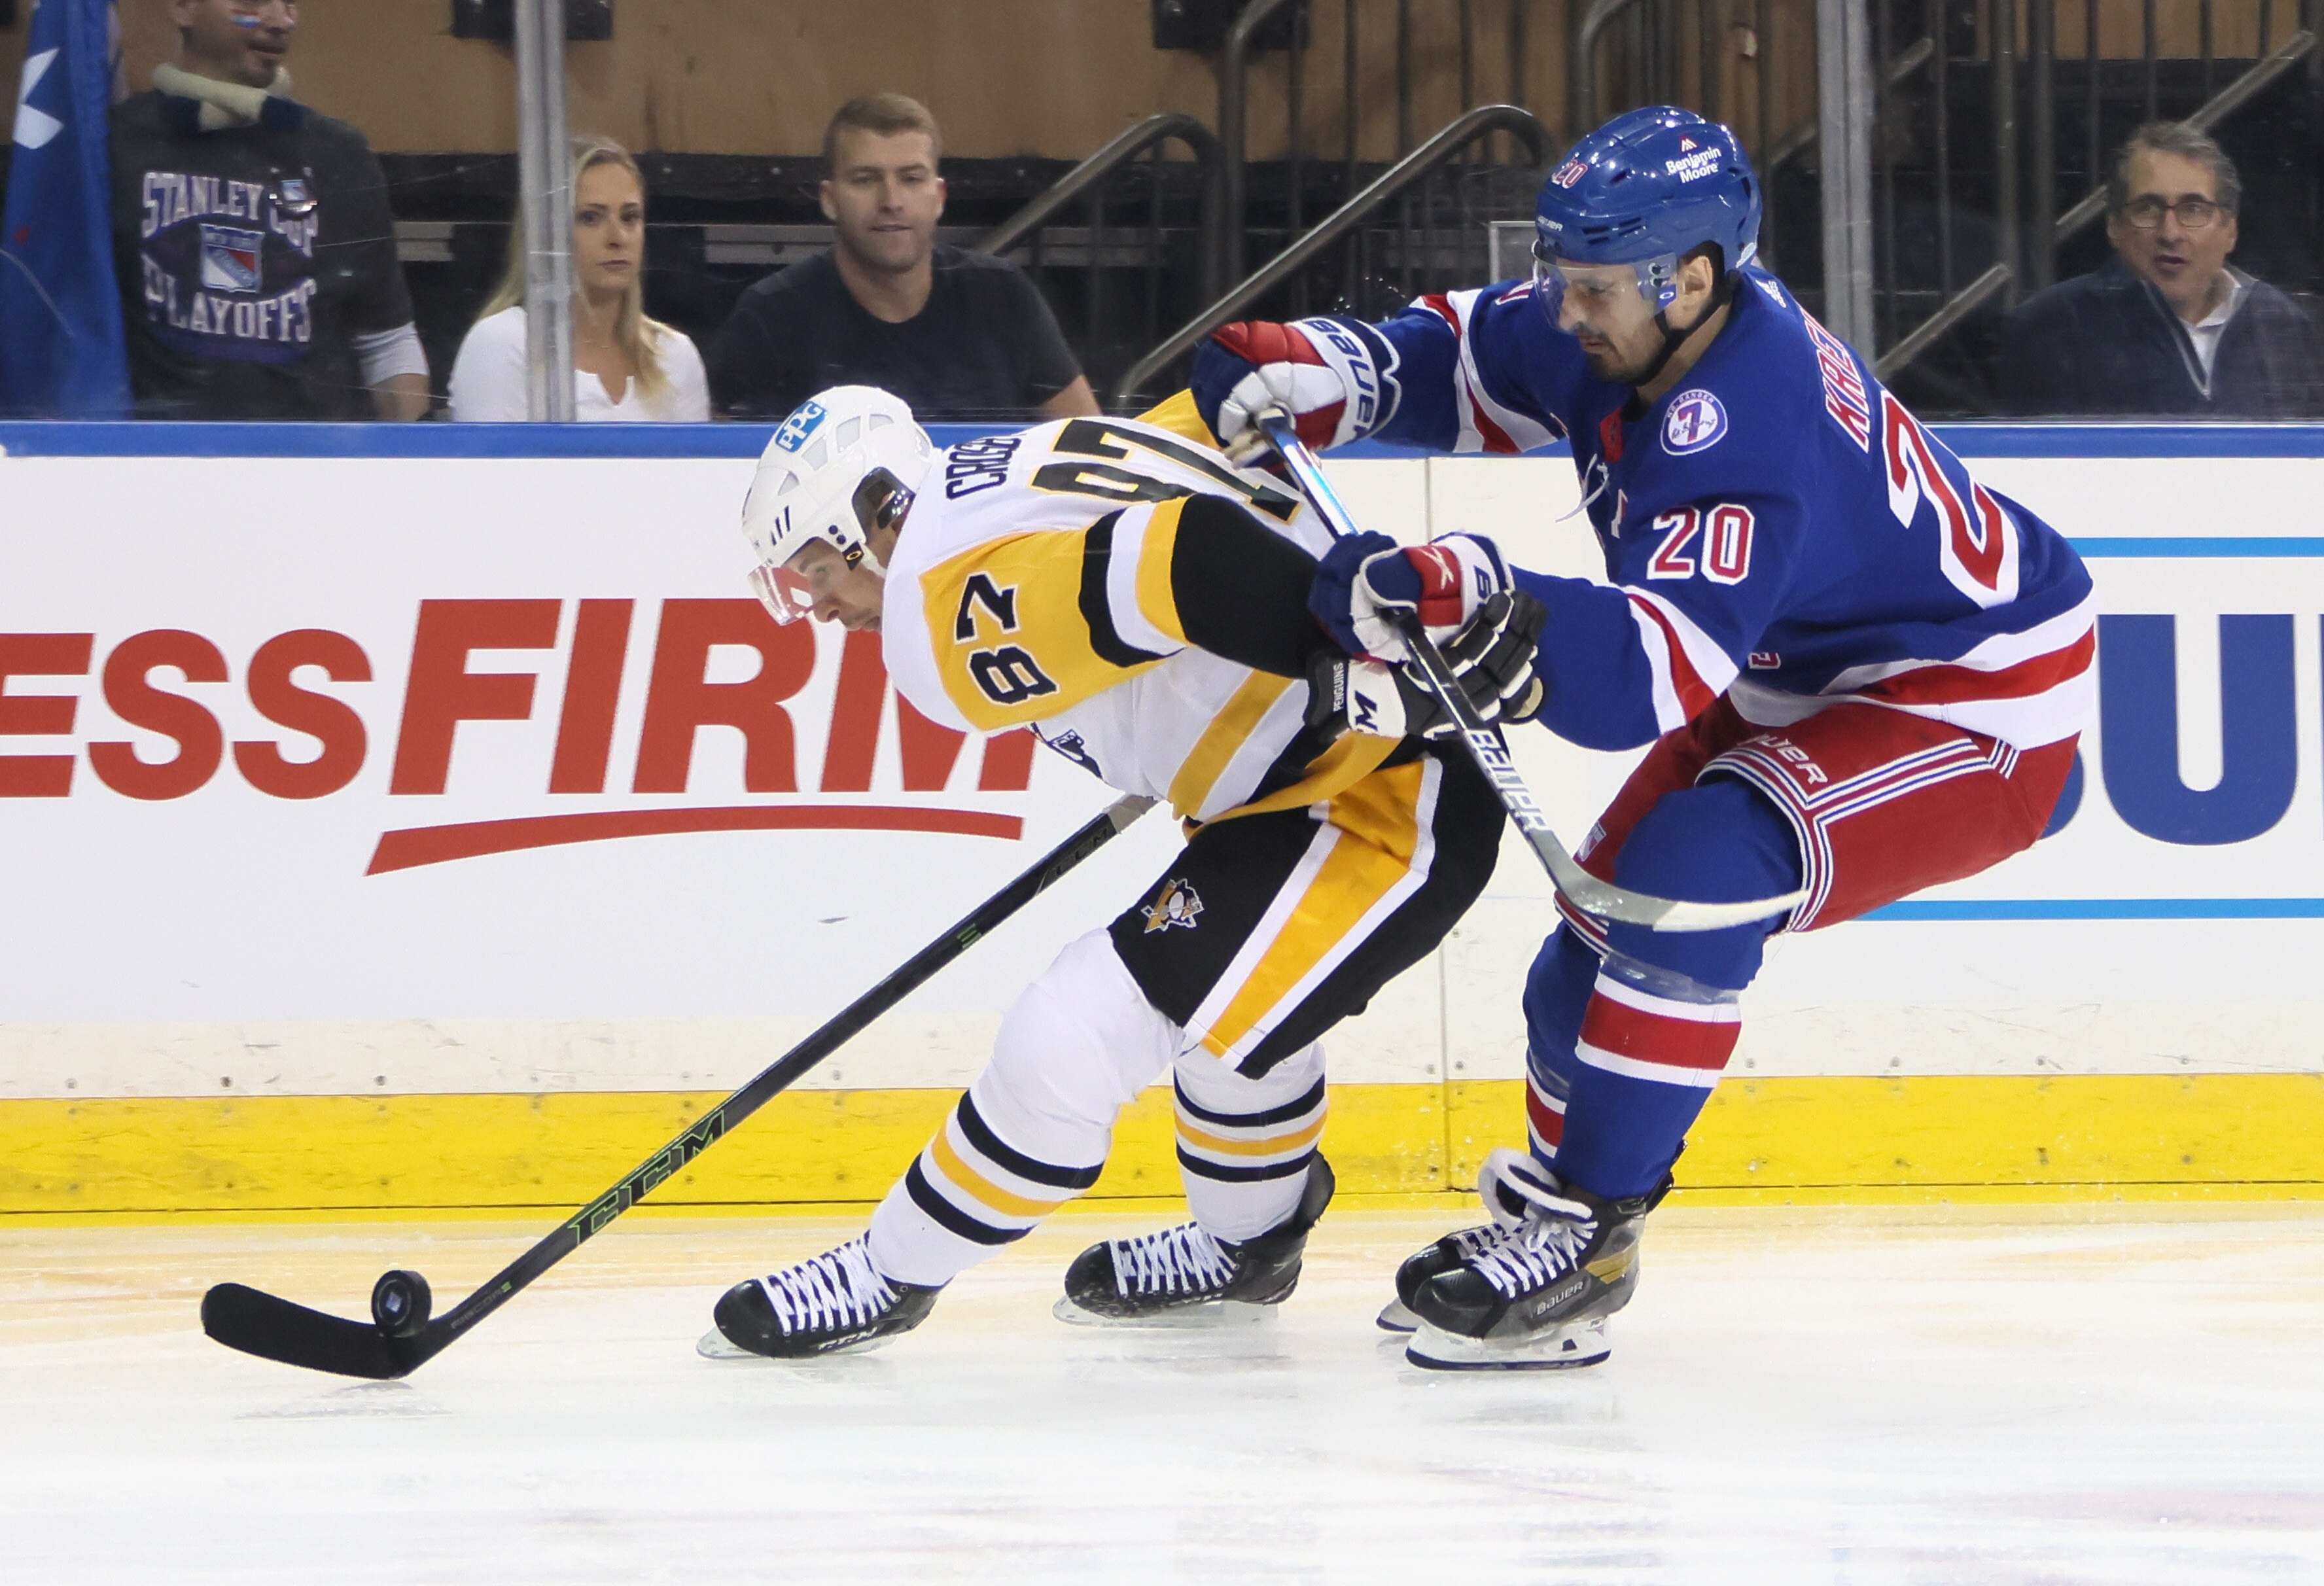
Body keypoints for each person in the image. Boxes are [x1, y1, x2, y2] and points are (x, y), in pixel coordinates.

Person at [1192, 106, 2094, 1370]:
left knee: (1687, 884)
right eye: (1563, 278)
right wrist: (1324, 367)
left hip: (1971, 696)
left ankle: (1590, 1240)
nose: (1568, 310)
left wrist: (1473, 590)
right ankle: (1549, 1226)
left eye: (1592, 288)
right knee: (1587, 952)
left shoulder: (1749, 421)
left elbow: (1645, 680)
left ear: (1693, 276)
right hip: (1808, 668)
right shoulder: (1638, 315)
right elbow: (1474, 356)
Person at [700, 385, 1540, 1359]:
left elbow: (1195, 559)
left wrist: (1342, 664)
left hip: (1381, 799)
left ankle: (889, 1272)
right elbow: (1225, 415)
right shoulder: (1019, 451)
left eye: (813, 568)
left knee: (1075, 1029)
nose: (820, 604)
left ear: (862, 523)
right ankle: (1249, 1249)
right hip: (1305, 793)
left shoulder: (931, 614)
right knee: (1232, 1015)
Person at [109, 0, 428, 419]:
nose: (280, 22)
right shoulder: (112, 145)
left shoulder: (337, 153)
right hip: (153, 465)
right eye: (253, 3)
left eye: (289, 4)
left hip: (309, 465)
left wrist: (411, 462)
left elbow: (387, 340)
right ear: (183, 8)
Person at [705, 95, 1100, 423]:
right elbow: (721, 475)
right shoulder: (770, 318)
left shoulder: (1005, 297)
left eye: (911, 179)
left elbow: (1091, 446)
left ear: (940, 197)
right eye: (866, 179)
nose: (891, 202)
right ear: (829, 199)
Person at [1998, 122, 2324, 418]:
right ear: (2114, 226)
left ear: (2230, 230)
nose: (2170, 233)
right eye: (2147, 208)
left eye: (2194, 209)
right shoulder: (2050, 327)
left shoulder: (2283, 324)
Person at [448, 137, 711, 422]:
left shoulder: (675, 356)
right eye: (590, 218)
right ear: (545, 235)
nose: (617, 238)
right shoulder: (502, 343)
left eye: (630, 218)